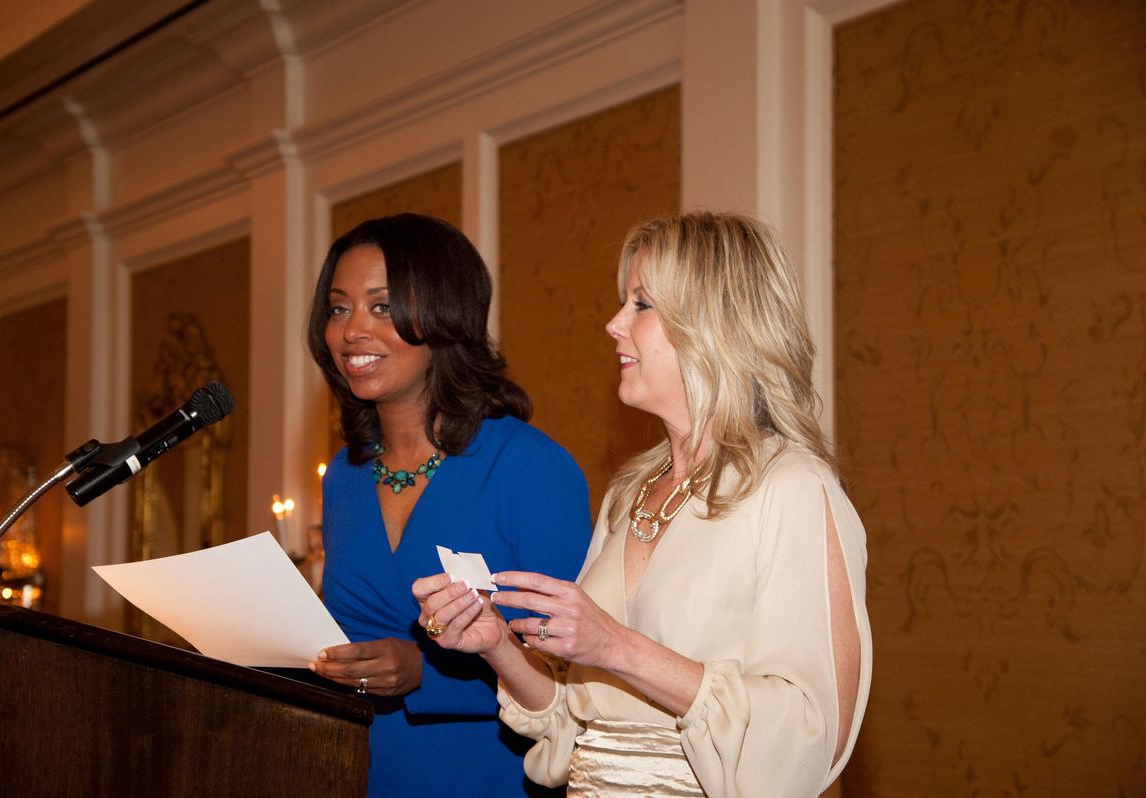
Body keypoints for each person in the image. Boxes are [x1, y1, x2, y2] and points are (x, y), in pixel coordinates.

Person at [413, 211, 872, 797]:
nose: (613, 324)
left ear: (716, 322)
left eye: (642, 304)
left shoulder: (793, 487)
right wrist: (497, 643)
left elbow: (811, 734)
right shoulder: (630, 492)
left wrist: (615, 646)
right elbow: (573, 723)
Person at [306, 213, 591, 797]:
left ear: (446, 314)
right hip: (358, 773)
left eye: (382, 307)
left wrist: (424, 673)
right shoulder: (344, 476)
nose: (351, 331)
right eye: (338, 308)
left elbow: (576, 675)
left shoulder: (530, 467)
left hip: (493, 777)